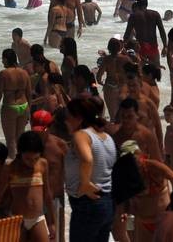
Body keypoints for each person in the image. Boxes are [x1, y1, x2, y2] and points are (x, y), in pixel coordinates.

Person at [64, 96, 116, 242]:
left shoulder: (81, 135)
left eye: (68, 117)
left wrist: (85, 184)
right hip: (106, 203)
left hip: (88, 205)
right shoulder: (106, 137)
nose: (65, 121)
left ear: (79, 118)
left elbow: (87, 159)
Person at [0, 49, 32, 160]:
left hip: (10, 107)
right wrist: (29, 111)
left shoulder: (3, 74)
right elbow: (29, 93)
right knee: (19, 139)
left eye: (3, 59)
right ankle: (21, 162)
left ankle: (13, 166)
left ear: (6, 59)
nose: (2, 62)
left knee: (10, 140)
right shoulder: (24, 72)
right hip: (24, 106)